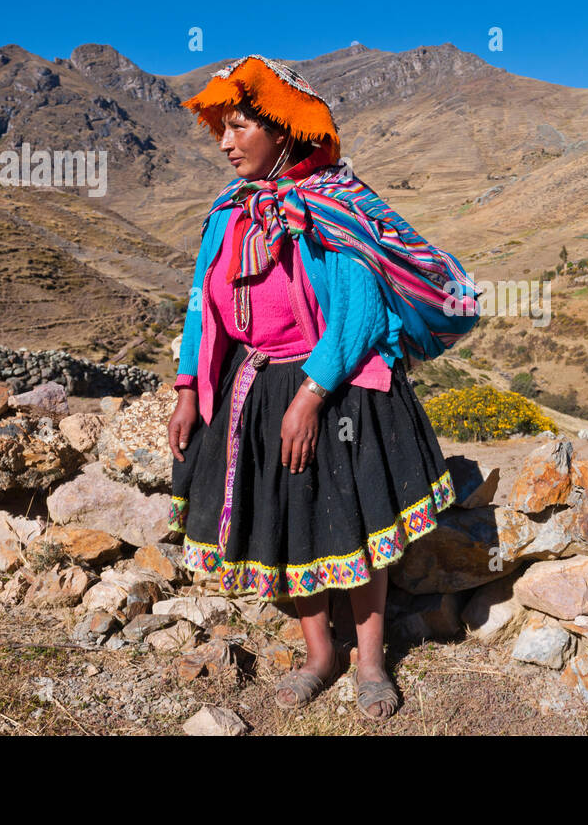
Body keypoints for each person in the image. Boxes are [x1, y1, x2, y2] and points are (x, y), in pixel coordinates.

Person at [166, 55, 471, 719]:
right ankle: (318, 657)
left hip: (338, 389)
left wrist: (311, 394)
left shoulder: (333, 205)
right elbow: (201, 306)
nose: (225, 142)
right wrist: (189, 386)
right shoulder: (228, 214)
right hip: (258, 391)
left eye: (239, 125)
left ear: (283, 131)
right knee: (289, 525)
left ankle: (369, 664)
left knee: (356, 527)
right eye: (220, 129)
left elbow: (359, 312)